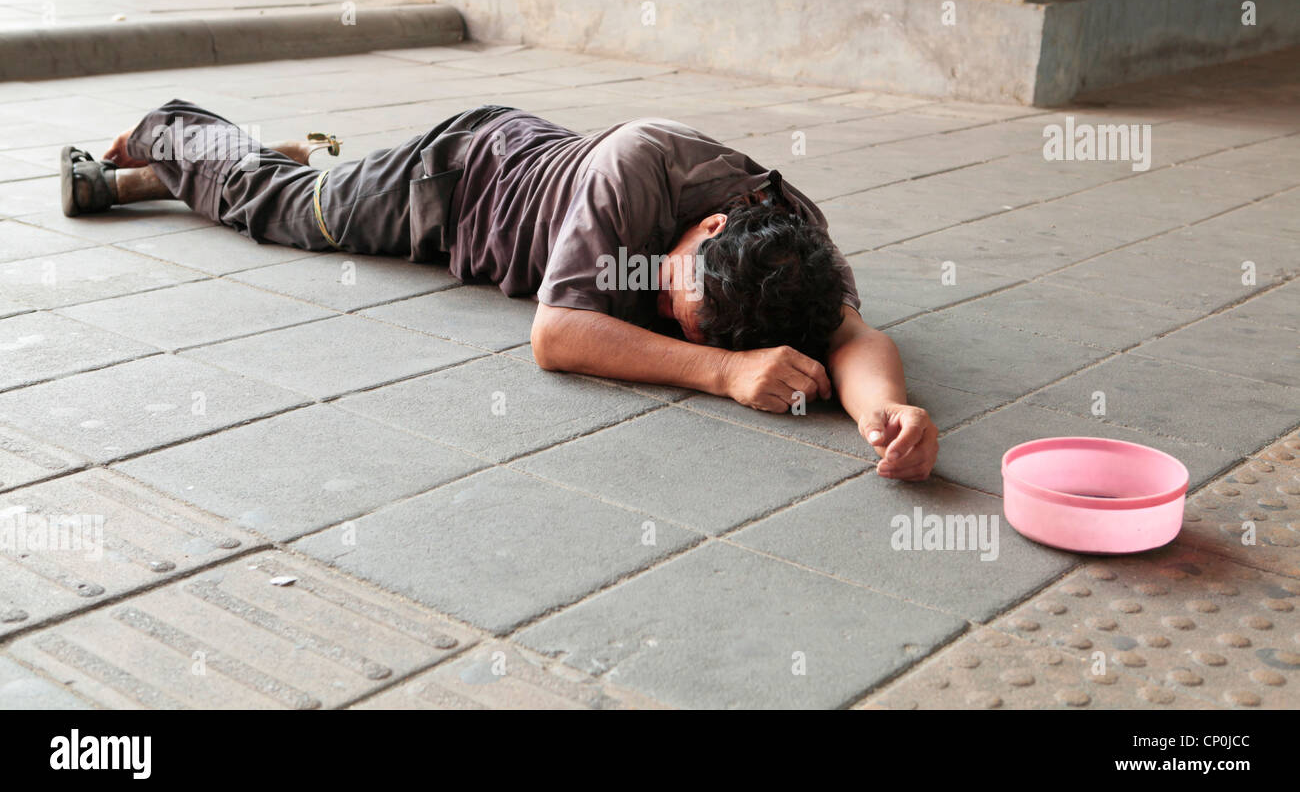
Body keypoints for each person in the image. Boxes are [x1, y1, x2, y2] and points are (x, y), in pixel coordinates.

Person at [61, 98, 938, 480]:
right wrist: (723, 372)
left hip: (525, 168)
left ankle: (256, 157)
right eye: (681, 296)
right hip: (452, 182)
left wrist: (885, 413)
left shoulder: (791, 240)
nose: (671, 313)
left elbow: (851, 336)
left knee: (291, 189)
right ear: (708, 227)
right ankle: (168, 133)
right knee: (284, 209)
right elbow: (557, 336)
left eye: (700, 332)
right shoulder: (641, 161)